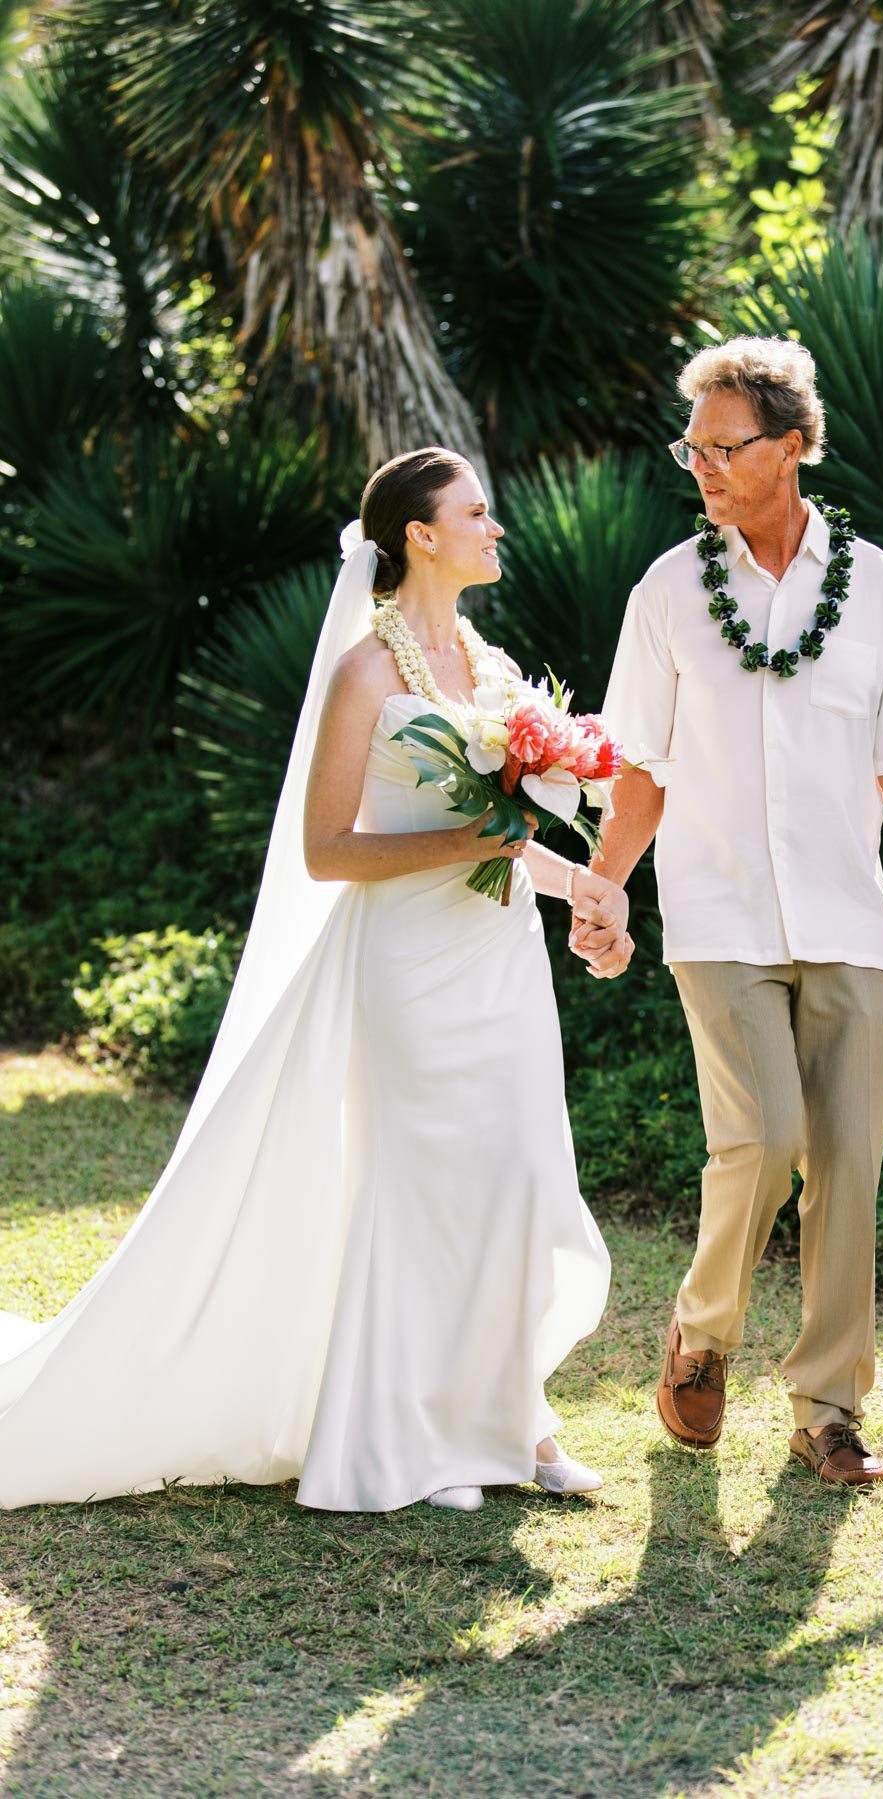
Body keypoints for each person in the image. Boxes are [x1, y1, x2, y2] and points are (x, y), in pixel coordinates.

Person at [0, 447, 625, 1516]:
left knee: (520, 1176)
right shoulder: (363, 673)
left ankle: (515, 1419)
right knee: (423, 1194)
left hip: (499, 956)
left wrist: (589, 892)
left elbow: (510, 833)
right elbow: (327, 849)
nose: (497, 526)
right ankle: (402, 1437)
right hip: (408, 963)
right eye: (477, 512)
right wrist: (465, 842)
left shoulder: (490, 663)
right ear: (421, 535)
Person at [571, 336, 883, 1487]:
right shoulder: (670, 589)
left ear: (794, 446)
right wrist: (608, 882)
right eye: (693, 446)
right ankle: (702, 1334)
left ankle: (827, 1407)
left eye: (727, 445)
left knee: (849, 1164)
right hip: (716, 918)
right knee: (764, 1142)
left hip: (850, 923)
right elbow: (644, 768)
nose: (703, 465)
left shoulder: (877, 588)